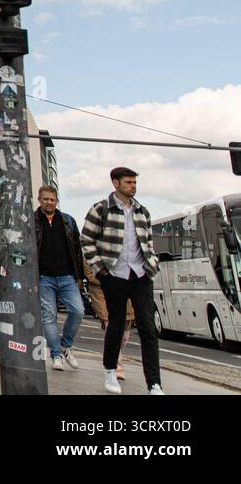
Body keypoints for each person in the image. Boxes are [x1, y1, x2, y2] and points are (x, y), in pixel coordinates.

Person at [81, 166, 162, 395]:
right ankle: (110, 371)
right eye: (128, 182)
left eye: (134, 182)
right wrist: (100, 269)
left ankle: (154, 383)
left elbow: (149, 243)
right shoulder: (101, 209)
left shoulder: (142, 211)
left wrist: (152, 263)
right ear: (115, 183)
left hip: (141, 274)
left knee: (148, 327)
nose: (133, 186)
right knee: (115, 324)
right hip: (114, 275)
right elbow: (86, 240)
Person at [35, 184, 85, 371]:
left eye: (52, 199)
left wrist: (79, 276)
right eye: (46, 199)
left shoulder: (68, 221)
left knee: (78, 311)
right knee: (49, 316)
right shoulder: (32, 221)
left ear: (57, 201)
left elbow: (77, 251)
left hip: (67, 276)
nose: (49, 202)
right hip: (44, 277)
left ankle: (66, 345)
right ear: (39, 199)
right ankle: (56, 354)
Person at [84, 257, 133, 381]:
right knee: (110, 325)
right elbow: (87, 260)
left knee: (125, 335)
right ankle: (117, 364)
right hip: (100, 287)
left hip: (123, 285)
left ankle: (115, 356)